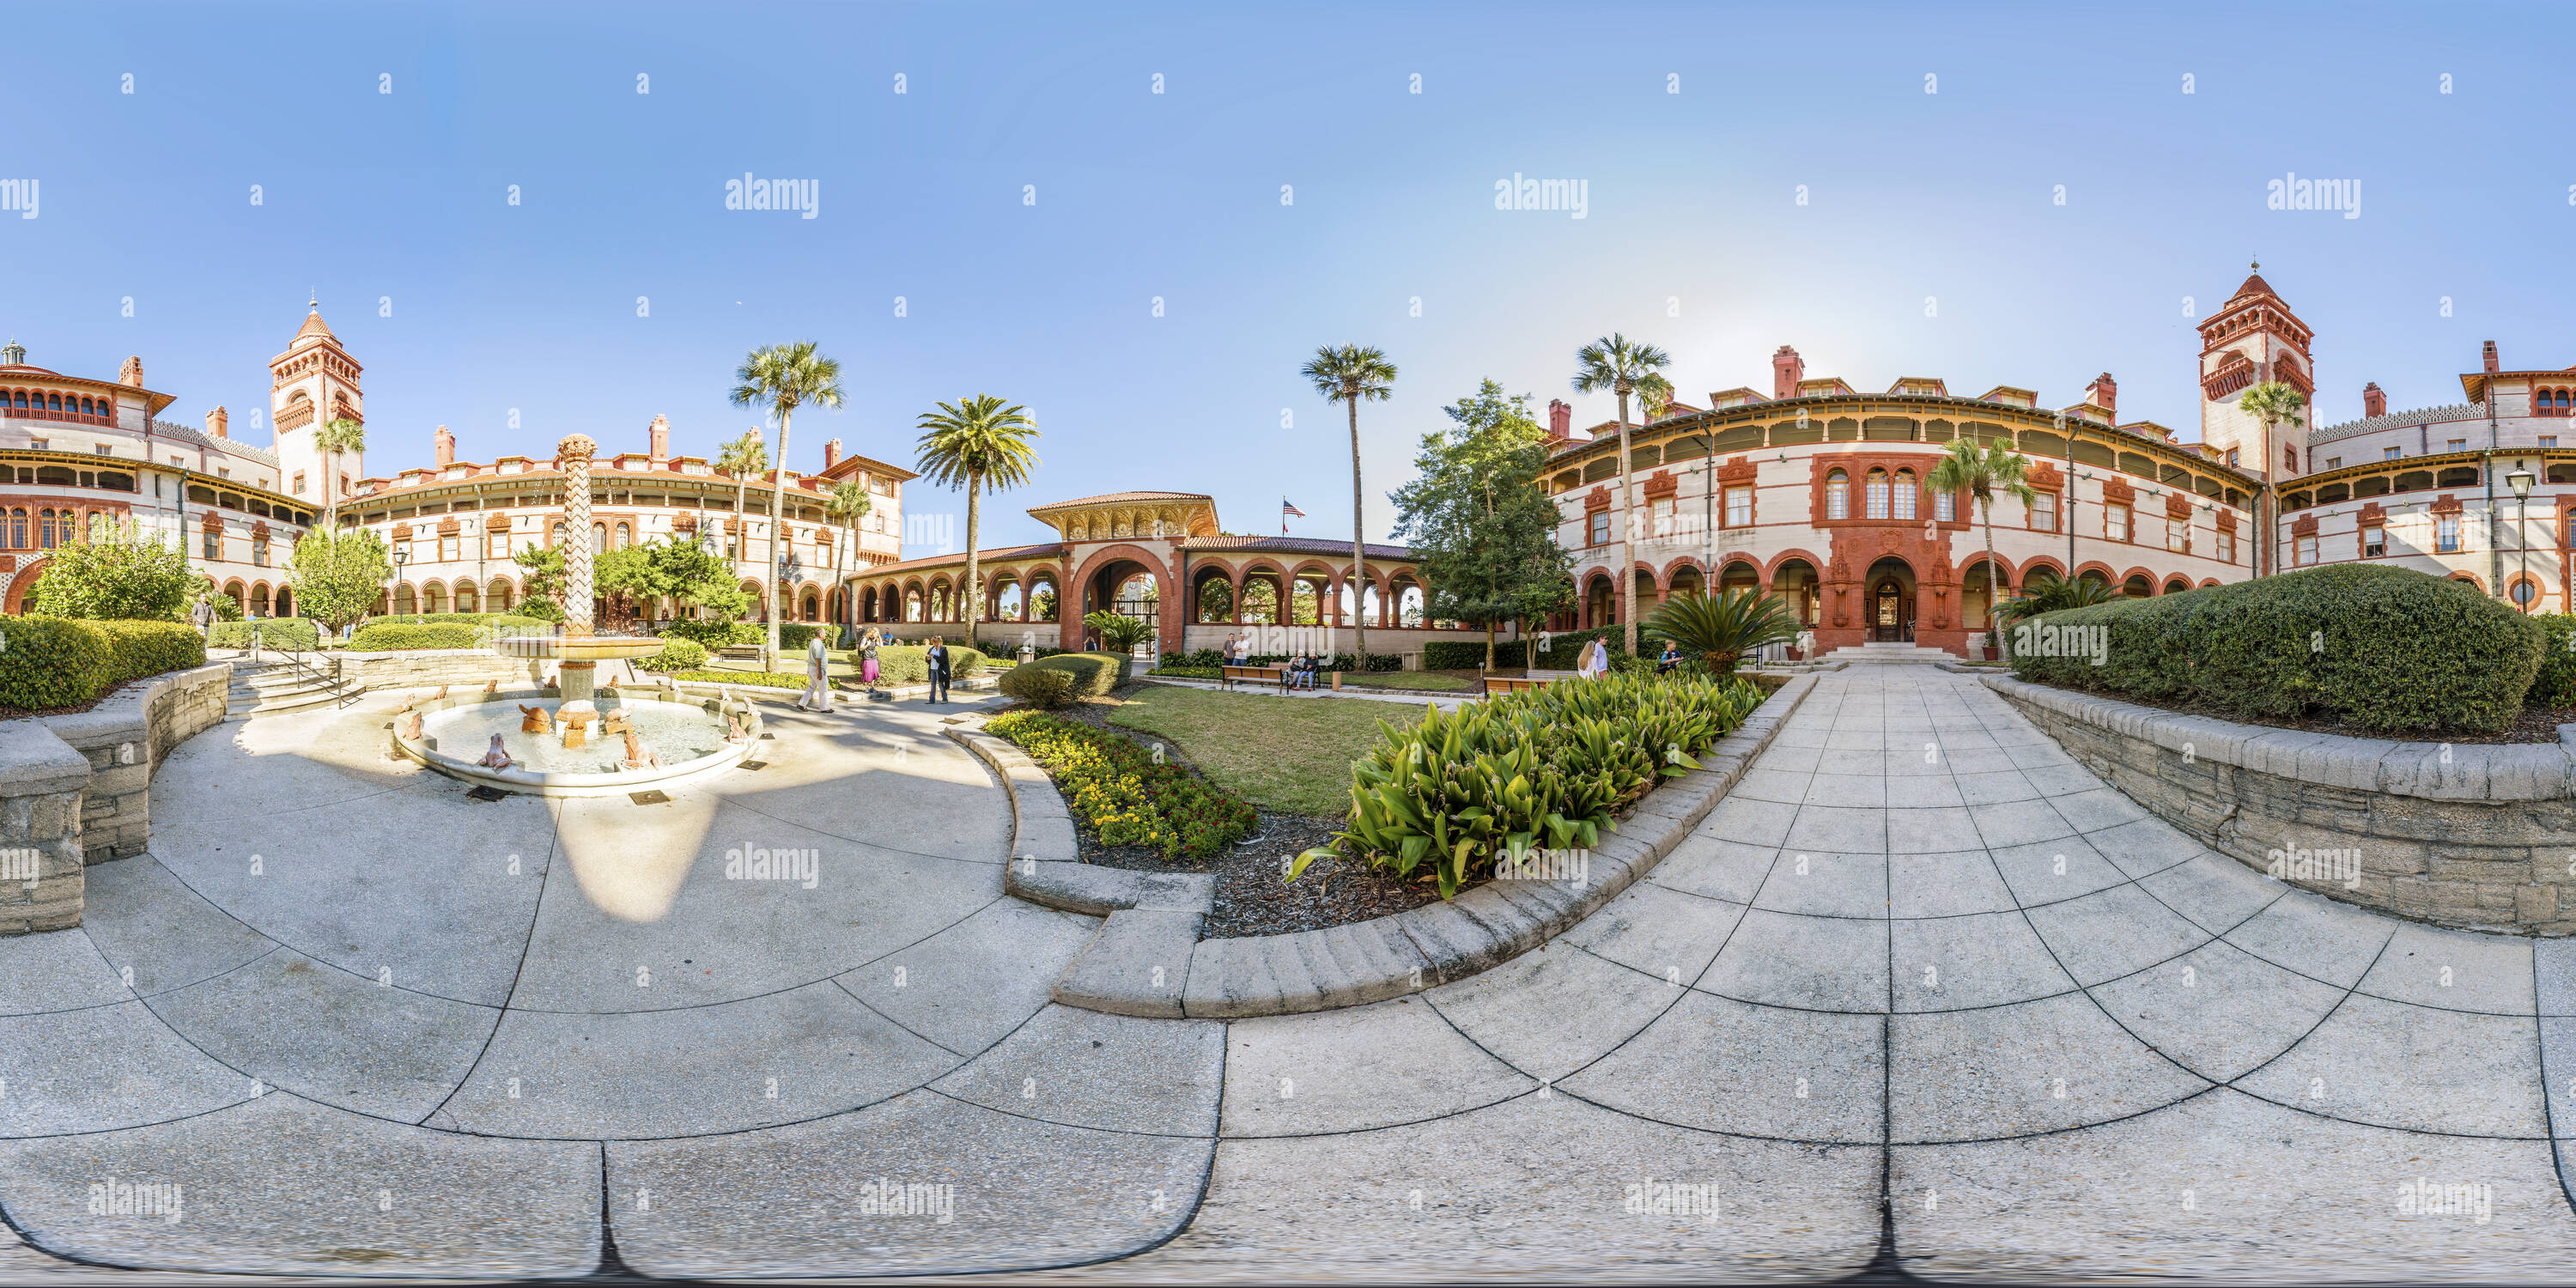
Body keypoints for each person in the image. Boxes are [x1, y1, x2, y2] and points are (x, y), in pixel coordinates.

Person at [795, 630, 833, 712]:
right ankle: (825, 708)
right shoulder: (818, 644)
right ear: (820, 634)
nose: (826, 634)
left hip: (811, 668)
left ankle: (802, 704)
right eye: (824, 633)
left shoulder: (813, 642)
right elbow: (818, 659)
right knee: (823, 689)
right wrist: (819, 672)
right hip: (817, 669)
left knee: (812, 687)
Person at [926, 635, 951, 703]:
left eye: (936, 642)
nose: (935, 644)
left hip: (939, 670)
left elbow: (942, 660)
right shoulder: (932, 649)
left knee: (940, 684)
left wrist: (934, 656)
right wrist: (928, 658)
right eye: (933, 642)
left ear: (940, 642)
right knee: (932, 685)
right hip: (932, 669)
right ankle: (931, 700)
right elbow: (927, 659)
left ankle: (945, 699)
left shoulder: (943, 650)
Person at [860, 627, 883, 694]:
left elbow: (881, 646)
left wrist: (880, 637)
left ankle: (872, 687)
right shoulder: (865, 639)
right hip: (867, 657)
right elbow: (861, 648)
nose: (877, 635)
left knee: (874, 672)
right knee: (868, 673)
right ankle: (867, 688)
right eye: (876, 633)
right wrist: (867, 645)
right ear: (872, 632)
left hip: (874, 657)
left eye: (878, 633)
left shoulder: (875, 640)